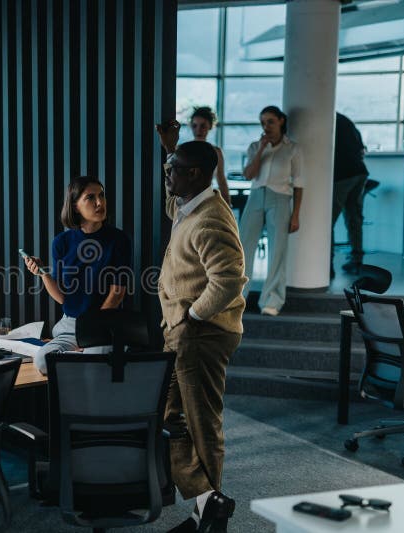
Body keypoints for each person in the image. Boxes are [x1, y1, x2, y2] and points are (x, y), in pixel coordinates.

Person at [154, 133, 247, 533]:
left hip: (201, 334)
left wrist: (193, 316)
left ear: (193, 174)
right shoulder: (187, 204)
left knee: (201, 422)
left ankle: (211, 512)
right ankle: (209, 504)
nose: (167, 175)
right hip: (181, 332)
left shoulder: (210, 217)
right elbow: (170, 194)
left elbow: (229, 279)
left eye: (172, 169)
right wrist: (168, 151)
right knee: (170, 417)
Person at [22, 176, 132, 375]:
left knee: (93, 362)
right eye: (90, 197)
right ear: (75, 206)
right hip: (71, 324)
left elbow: (117, 293)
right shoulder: (61, 242)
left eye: (102, 195)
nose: (100, 202)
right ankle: (82, 357)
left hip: (105, 324)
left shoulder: (118, 239)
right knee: (42, 361)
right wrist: (42, 273)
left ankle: (82, 358)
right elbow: (64, 298)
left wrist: (90, 333)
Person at [239, 106, 304, 316]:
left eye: (270, 122)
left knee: (277, 251)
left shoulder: (293, 148)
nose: (266, 126)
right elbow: (249, 175)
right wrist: (261, 149)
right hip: (256, 197)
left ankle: (272, 301)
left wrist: (296, 214)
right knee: (242, 248)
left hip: (281, 199)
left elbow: (299, 183)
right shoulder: (255, 146)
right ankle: (237, 298)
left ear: (281, 121)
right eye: (263, 122)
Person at [332, 112, 369, 277]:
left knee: (328, 221)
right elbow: (362, 150)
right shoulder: (345, 120)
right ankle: (356, 260)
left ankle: (326, 264)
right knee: (354, 218)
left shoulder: (327, 121)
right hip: (359, 172)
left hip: (342, 176)